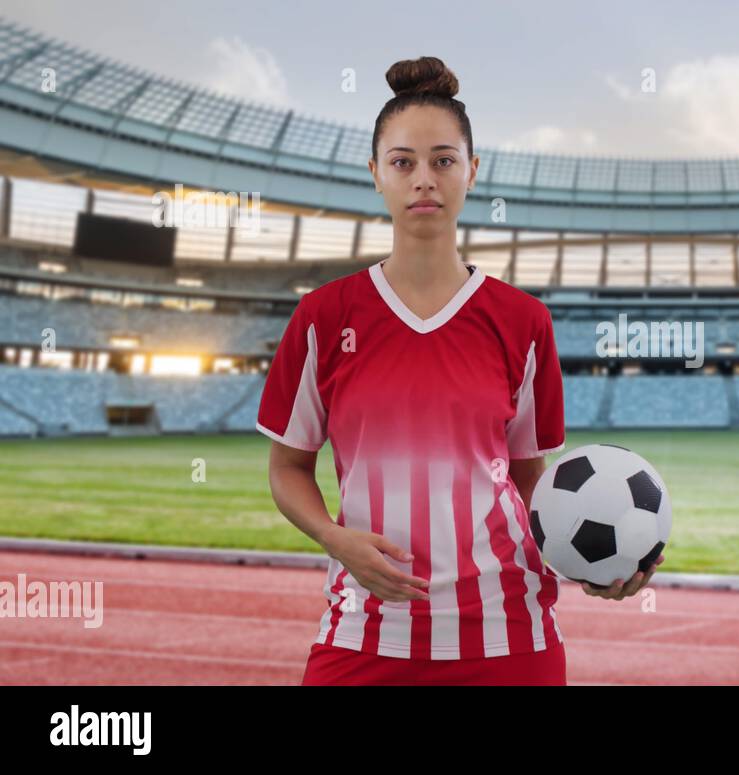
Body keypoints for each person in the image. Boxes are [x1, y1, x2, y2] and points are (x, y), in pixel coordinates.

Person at [258, 56, 663, 686]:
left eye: (444, 160)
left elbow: (534, 485)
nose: (424, 179)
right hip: (365, 630)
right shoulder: (322, 316)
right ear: (375, 174)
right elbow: (287, 468)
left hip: (508, 637)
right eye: (403, 162)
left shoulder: (523, 321)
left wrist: (589, 563)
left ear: (472, 172)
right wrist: (337, 541)